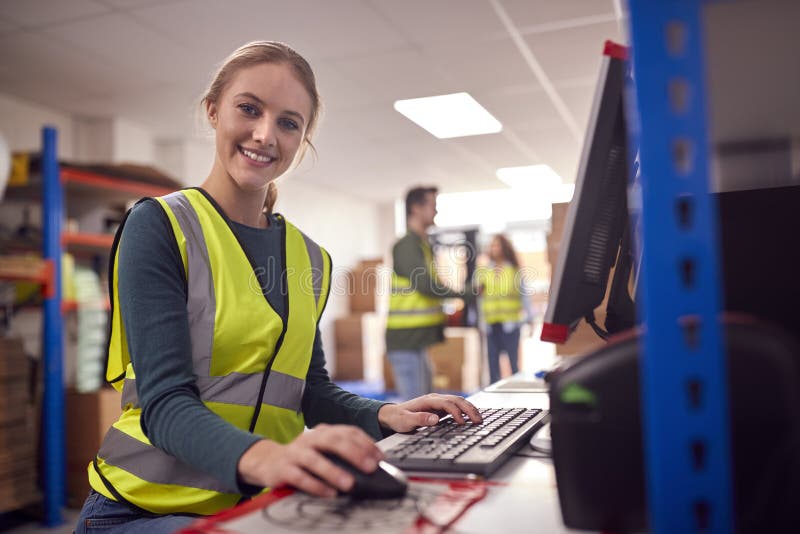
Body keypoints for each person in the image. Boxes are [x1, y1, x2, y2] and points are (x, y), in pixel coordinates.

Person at [75, 41, 481, 533]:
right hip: (141, 509)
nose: (265, 134)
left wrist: (387, 414)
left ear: (302, 139)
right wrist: (268, 458)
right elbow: (164, 403)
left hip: (256, 509)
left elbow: (308, 390)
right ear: (213, 111)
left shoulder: (309, 259)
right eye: (249, 109)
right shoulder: (160, 226)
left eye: (289, 122)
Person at [385, 186, 475, 401]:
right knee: (415, 409)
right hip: (406, 342)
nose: (436, 212)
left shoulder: (421, 245)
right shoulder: (407, 246)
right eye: (432, 206)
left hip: (416, 343)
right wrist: (463, 294)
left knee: (424, 404)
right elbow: (425, 285)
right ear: (416, 208)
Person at [474, 234, 532, 384]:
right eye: (492, 245)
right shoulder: (484, 271)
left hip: (510, 324)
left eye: (497, 245)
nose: (494, 249)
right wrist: (480, 322)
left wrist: (529, 318)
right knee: (493, 364)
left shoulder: (513, 270)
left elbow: (524, 295)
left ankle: (517, 391)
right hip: (491, 324)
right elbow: (480, 299)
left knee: (513, 363)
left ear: (505, 248)